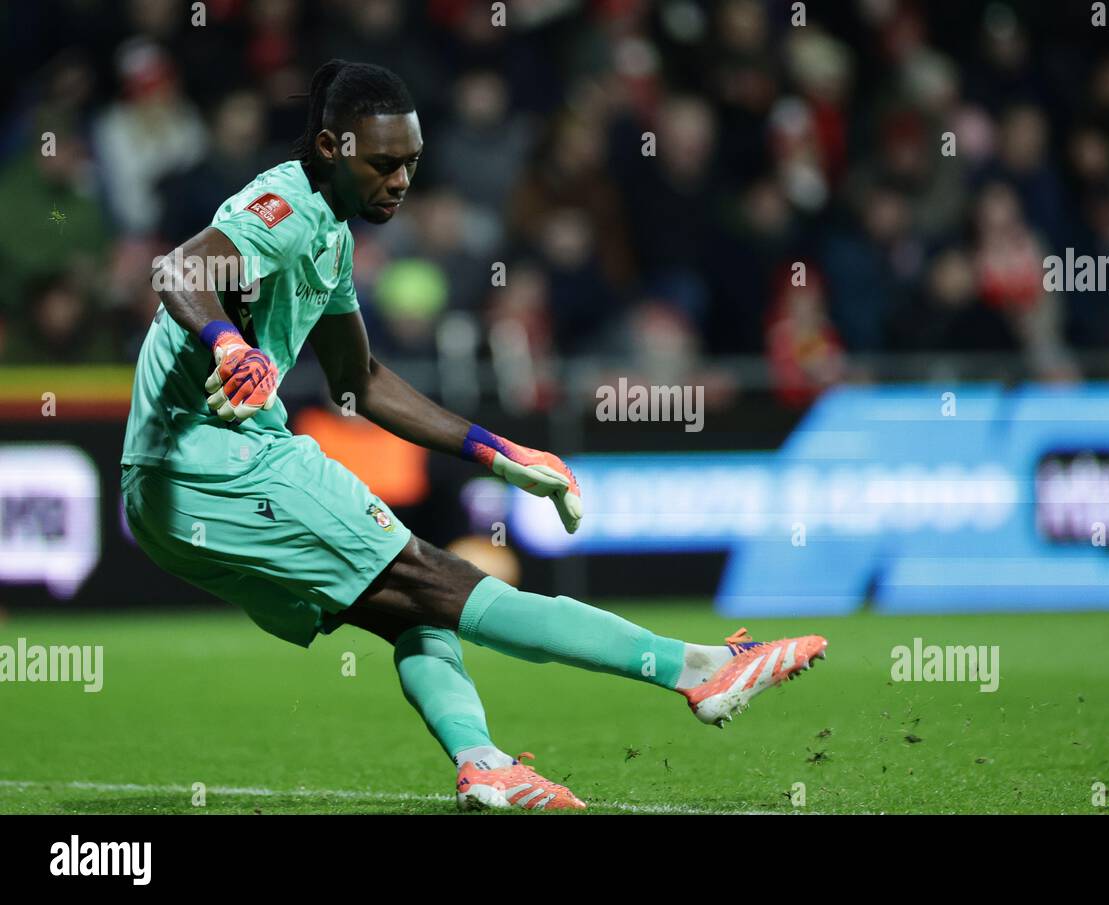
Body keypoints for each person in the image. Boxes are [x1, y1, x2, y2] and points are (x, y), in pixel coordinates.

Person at [119, 60, 827, 811]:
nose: (399, 181)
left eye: (411, 164)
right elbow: (177, 269)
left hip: (174, 491)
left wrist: (501, 452)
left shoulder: (329, 237)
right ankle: (695, 668)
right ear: (330, 146)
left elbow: (364, 382)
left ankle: (482, 762)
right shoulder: (284, 205)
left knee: (414, 609)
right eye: (383, 163)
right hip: (208, 465)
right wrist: (231, 345)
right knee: (440, 579)